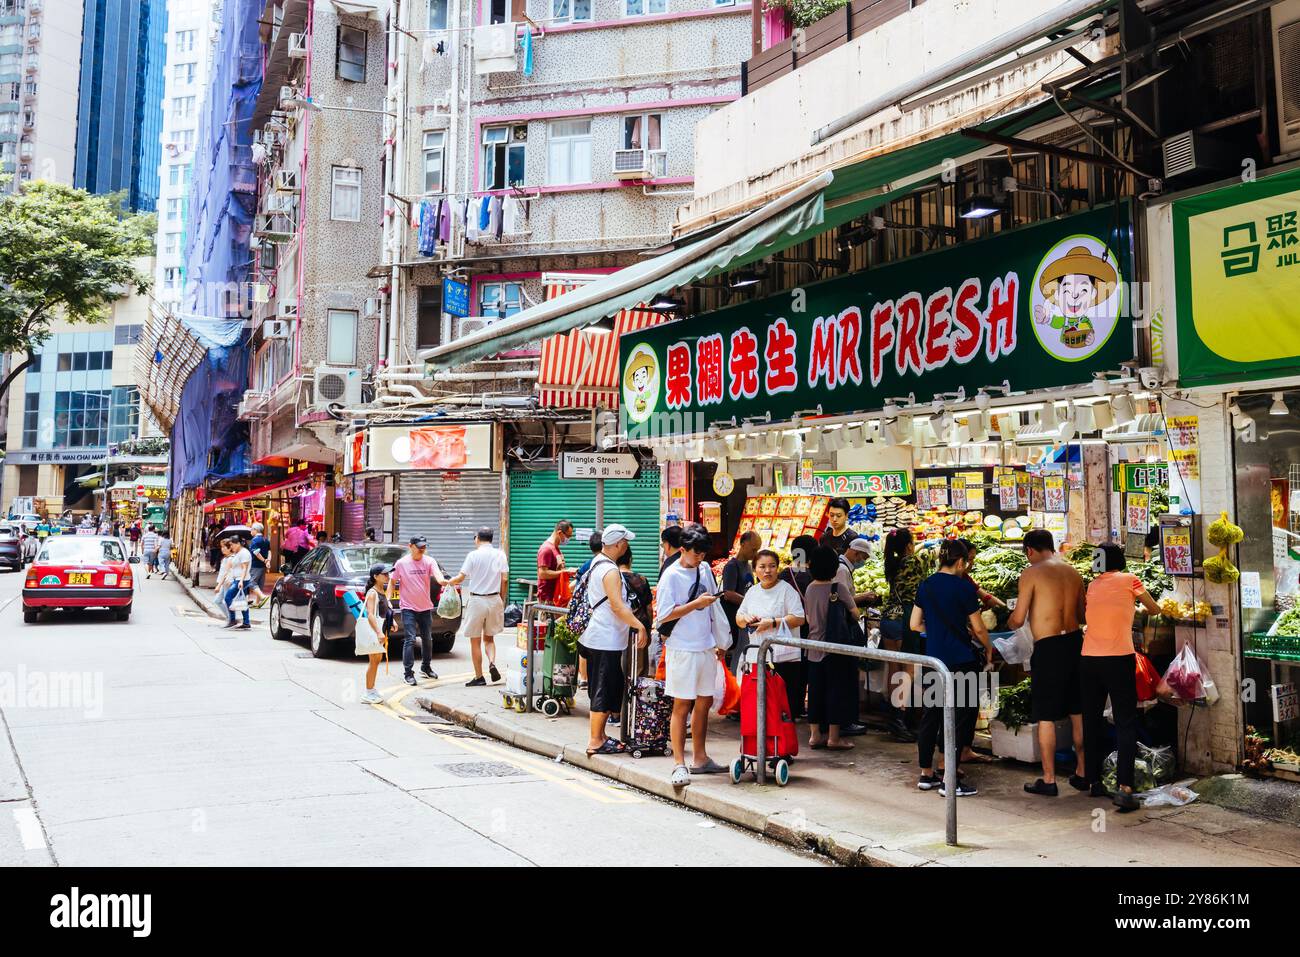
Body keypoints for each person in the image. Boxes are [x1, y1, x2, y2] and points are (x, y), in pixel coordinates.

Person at [1007, 528, 1088, 797]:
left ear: (1029, 550)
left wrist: (1009, 620)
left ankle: (1049, 779)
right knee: (1078, 710)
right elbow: (1081, 613)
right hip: (1075, 643)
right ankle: (1083, 772)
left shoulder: (1031, 573)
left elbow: (1018, 619)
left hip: (1049, 648)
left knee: (1046, 715)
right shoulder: (1073, 572)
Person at [1081, 544, 1162, 812]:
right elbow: (1154, 609)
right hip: (1118, 658)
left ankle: (1093, 780)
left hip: (1090, 659)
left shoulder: (1092, 586)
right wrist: (1134, 609)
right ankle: (1125, 788)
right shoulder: (1130, 580)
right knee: (1125, 721)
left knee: (1091, 719)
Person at [909, 539, 990, 796]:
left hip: (934, 660)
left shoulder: (927, 585)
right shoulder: (963, 587)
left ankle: (926, 774)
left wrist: (934, 634)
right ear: (959, 562)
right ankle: (950, 782)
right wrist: (988, 647)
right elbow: (978, 627)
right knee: (956, 719)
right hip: (960, 661)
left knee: (931, 715)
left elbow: (914, 624)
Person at [655, 523, 725, 787]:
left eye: (703, 554)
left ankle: (700, 757)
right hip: (682, 648)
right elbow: (664, 615)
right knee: (682, 705)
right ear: (682, 550)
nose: (700, 559)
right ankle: (678, 764)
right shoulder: (671, 576)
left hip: (705, 645)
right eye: (696, 554)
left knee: (704, 703)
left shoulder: (705, 569)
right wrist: (695, 604)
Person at [579, 525, 648, 756]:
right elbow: (618, 606)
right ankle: (595, 740)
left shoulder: (597, 562)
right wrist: (639, 625)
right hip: (604, 638)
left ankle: (600, 736)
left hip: (601, 637)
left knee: (607, 686)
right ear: (618, 544)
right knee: (603, 689)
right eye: (626, 541)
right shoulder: (609, 571)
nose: (628, 545)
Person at [802, 546, 861, 750]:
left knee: (816, 691)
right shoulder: (838, 589)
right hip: (835, 649)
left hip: (813, 648)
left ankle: (814, 735)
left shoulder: (810, 588)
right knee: (836, 691)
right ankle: (834, 738)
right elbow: (856, 614)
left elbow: (808, 618)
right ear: (835, 568)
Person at [879, 528, 926, 741]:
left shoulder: (892, 562)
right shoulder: (913, 561)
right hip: (905, 618)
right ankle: (900, 719)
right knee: (908, 671)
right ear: (909, 545)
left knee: (893, 669)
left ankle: (892, 716)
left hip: (889, 617)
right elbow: (919, 591)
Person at [736, 548, 806, 690]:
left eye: (772, 566)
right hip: (756, 656)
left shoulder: (786, 590)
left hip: (783, 658)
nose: (767, 570)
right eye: (762, 567)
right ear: (755, 569)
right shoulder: (752, 591)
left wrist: (772, 623)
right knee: (759, 703)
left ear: (777, 568)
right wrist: (745, 618)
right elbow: (739, 619)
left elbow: (799, 618)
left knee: (782, 704)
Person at [450, 527, 509, 687]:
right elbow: (504, 579)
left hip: (477, 601)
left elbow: (461, 577)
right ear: (491, 539)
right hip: (494, 599)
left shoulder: (473, 555)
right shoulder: (500, 554)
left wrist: (449, 581)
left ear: (477, 538)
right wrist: (501, 599)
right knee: (489, 639)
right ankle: (492, 662)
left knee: (475, 641)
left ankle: (479, 677)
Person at [387, 536, 448, 686]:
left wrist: (446, 582)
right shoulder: (401, 563)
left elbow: (438, 577)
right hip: (408, 608)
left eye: (424, 547)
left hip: (425, 608)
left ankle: (426, 667)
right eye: (419, 546)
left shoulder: (429, 561)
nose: (422, 549)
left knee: (427, 639)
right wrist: (387, 601)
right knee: (410, 639)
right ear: (411, 546)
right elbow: (392, 582)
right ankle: (408, 673)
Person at [777, 534, 818, 720]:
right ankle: (799, 706)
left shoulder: (784, 575)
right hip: (808, 627)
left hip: (786, 627)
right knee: (804, 669)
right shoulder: (813, 576)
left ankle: (788, 707)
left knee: (787, 669)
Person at [721, 530, 759, 670]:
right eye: (753, 548)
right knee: (738, 651)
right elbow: (728, 593)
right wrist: (749, 601)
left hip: (746, 617)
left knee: (745, 650)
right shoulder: (732, 566)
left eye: (757, 549)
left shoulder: (748, 566)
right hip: (735, 618)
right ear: (743, 544)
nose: (755, 553)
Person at [357, 563, 392, 704]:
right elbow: (370, 615)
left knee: (377, 660)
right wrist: (378, 632)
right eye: (384, 574)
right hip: (375, 630)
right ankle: (368, 692)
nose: (387, 576)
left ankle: (371, 689)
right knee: (373, 661)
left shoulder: (381, 590)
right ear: (375, 576)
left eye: (388, 574)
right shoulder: (372, 593)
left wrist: (392, 623)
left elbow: (384, 611)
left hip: (381, 628)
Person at [536, 519, 573, 606]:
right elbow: (542, 573)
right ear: (560, 533)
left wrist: (568, 573)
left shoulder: (556, 548)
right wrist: (564, 572)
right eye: (568, 536)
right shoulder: (546, 549)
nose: (568, 539)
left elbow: (558, 570)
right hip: (547, 600)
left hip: (556, 597)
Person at [223, 536, 253, 631]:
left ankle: (232, 620)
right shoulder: (238, 553)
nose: (231, 547)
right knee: (242, 600)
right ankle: (246, 622)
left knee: (228, 597)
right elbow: (234, 566)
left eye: (232, 545)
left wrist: (240, 581)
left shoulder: (244, 553)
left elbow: (244, 568)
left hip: (242, 580)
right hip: (238, 579)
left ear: (238, 544)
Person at [247, 522, 271, 608]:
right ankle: (257, 603)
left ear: (255, 530)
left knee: (251, 582)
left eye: (251, 529)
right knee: (260, 583)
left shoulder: (254, 540)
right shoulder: (266, 539)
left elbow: (256, 553)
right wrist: (268, 561)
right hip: (262, 566)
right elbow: (269, 551)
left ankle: (262, 597)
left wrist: (265, 560)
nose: (250, 531)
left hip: (255, 565)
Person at [211, 538, 234, 615]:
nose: (222, 549)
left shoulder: (230, 558)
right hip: (224, 583)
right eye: (222, 547)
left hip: (227, 583)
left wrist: (219, 585)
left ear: (230, 548)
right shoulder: (225, 558)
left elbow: (225, 574)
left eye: (224, 547)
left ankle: (231, 619)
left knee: (227, 601)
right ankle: (229, 617)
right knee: (218, 601)